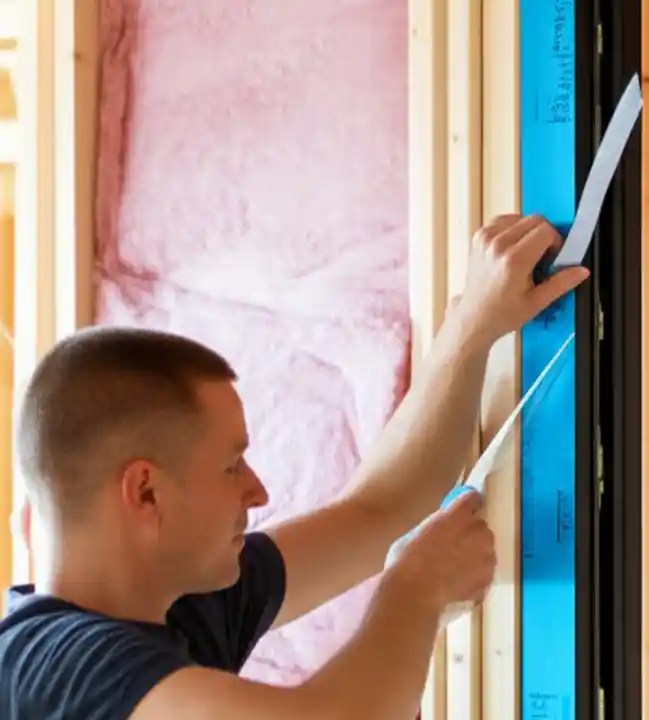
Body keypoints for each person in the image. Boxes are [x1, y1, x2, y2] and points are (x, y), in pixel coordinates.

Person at [0, 214, 588, 719]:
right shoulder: (51, 665)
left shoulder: (181, 603)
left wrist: (471, 330)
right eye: (232, 466)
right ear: (146, 491)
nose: (257, 491)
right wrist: (414, 590)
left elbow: (380, 511)